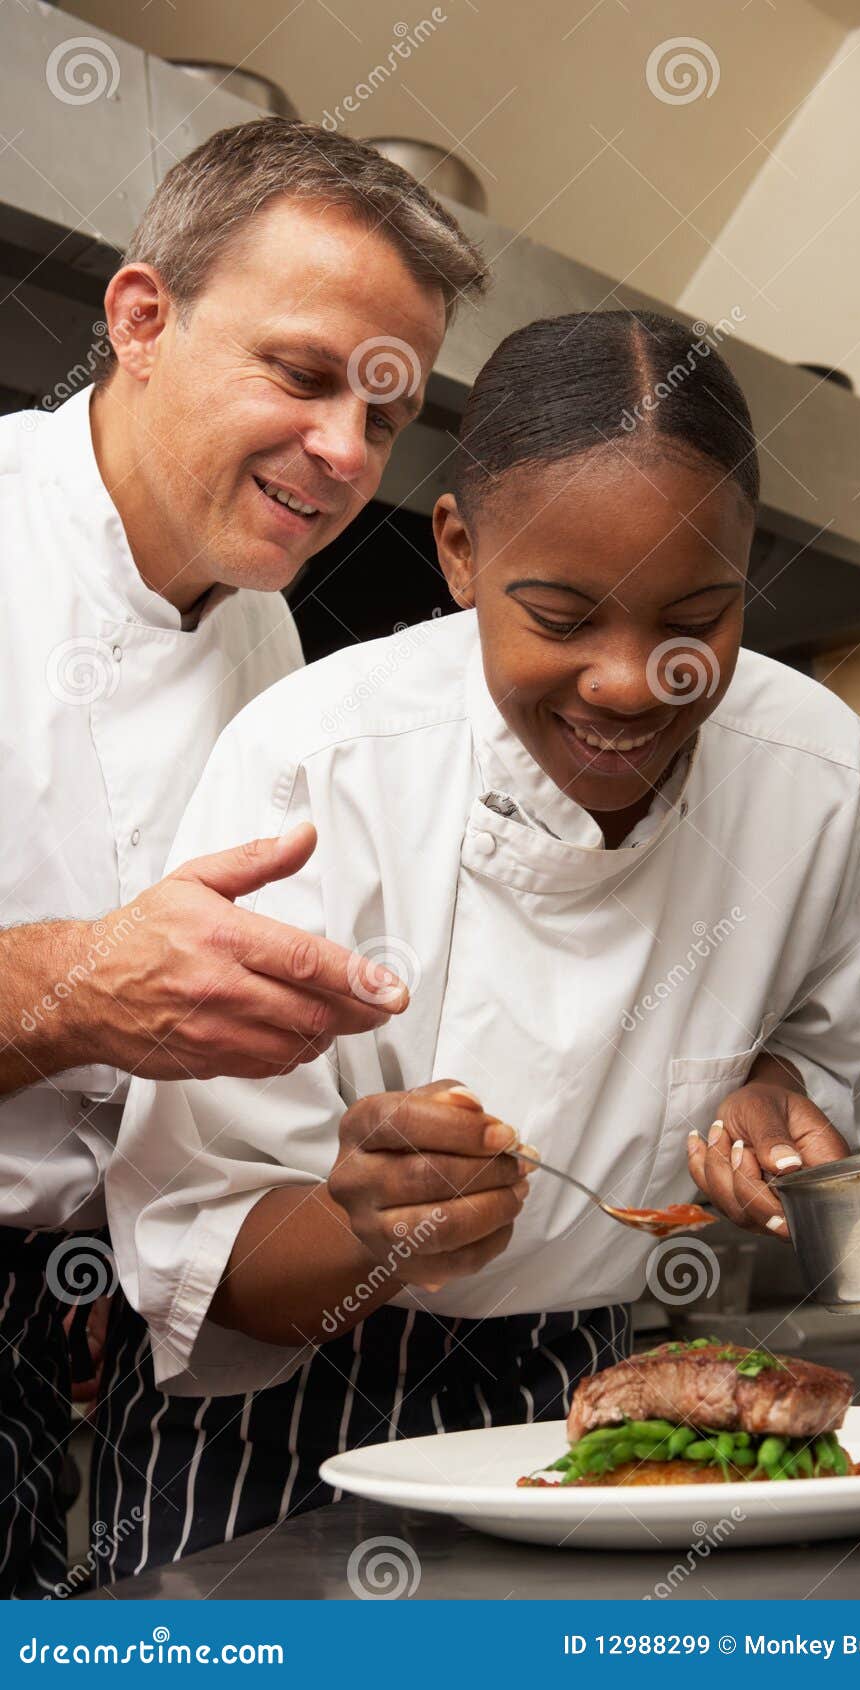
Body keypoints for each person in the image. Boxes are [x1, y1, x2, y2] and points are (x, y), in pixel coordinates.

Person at [98, 310, 860, 1579]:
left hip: (596, 1381)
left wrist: (779, 1096)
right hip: (278, 1409)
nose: (628, 683)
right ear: (460, 550)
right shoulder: (315, 763)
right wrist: (363, 1226)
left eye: (695, 619)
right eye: (560, 616)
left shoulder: (818, 778)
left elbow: (815, 1056)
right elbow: (212, 1268)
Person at [0, 116, 486, 1596]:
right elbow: (94, 996)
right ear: (140, 319)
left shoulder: (267, 633)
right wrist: (73, 989)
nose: (345, 453)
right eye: (299, 373)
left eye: (386, 412)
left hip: (62, 1328)